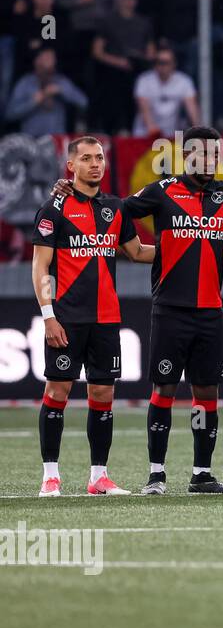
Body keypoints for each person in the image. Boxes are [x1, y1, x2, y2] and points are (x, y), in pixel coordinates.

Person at [123, 126, 223, 495]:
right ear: (187, 156)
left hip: (210, 312)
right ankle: (156, 473)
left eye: (215, 155)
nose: (209, 161)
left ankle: (201, 474)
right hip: (170, 310)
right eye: (201, 155)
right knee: (163, 390)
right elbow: (116, 213)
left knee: (206, 394)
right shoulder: (161, 192)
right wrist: (138, 251)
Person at [31, 136, 153, 497]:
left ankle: (98, 476)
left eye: (99, 157)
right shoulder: (54, 210)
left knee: (103, 393)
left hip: (106, 318)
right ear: (71, 166)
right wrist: (48, 316)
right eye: (86, 158)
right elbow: (41, 267)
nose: (95, 164)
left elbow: (136, 251)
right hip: (67, 319)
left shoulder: (115, 208)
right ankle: (50, 476)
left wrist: (187, 247)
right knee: (57, 390)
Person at [91, 0, 153, 134]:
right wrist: (118, 61)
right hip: (113, 74)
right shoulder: (108, 21)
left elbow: (151, 52)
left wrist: (139, 58)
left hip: (138, 73)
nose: (131, 1)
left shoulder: (144, 22)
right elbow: (97, 51)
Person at [6, 47, 88, 136]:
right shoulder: (26, 83)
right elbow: (10, 114)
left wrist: (62, 91)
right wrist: (33, 102)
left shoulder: (61, 81)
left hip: (55, 139)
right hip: (32, 140)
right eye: (47, 58)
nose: (51, 62)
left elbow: (83, 102)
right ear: (37, 60)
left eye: (53, 58)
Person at [133, 45, 199, 136]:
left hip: (172, 135)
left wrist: (198, 131)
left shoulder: (184, 81)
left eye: (166, 62)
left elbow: (192, 109)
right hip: (145, 134)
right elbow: (144, 109)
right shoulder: (144, 80)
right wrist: (152, 130)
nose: (162, 66)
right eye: (159, 62)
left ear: (174, 63)